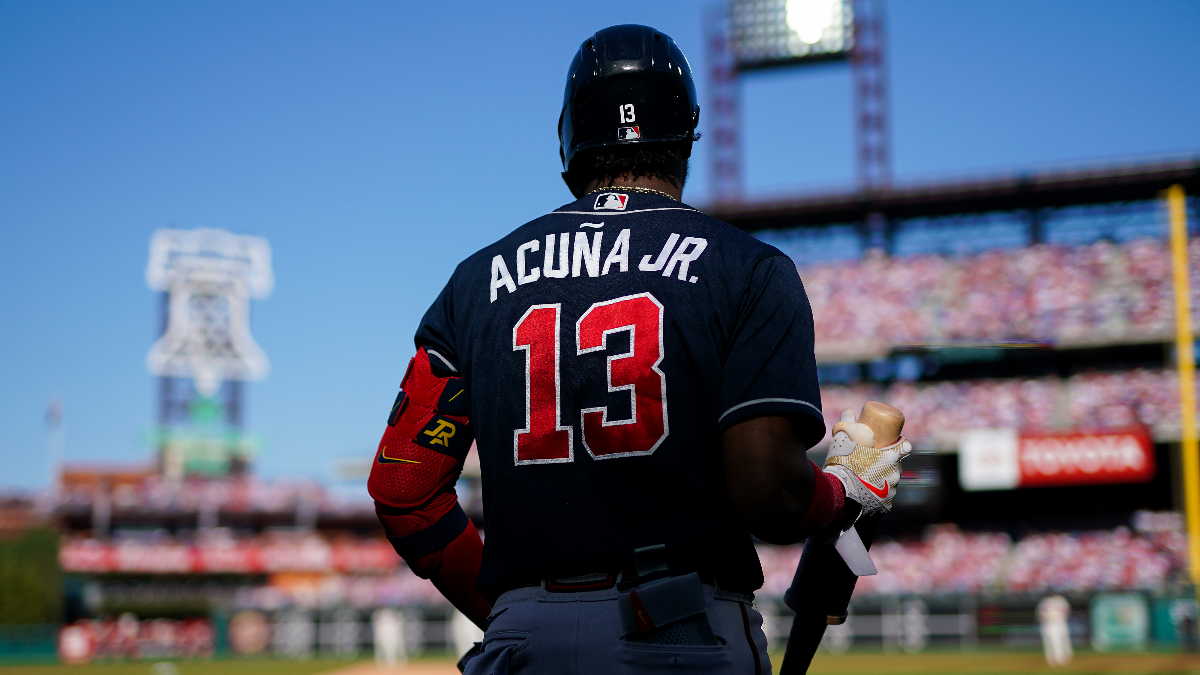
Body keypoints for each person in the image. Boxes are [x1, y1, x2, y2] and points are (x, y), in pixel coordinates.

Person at [367, 24, 907, 674]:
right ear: (684, 133)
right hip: (684, 633)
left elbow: (403, 487)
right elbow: (768, 492)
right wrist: (842, 492)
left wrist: (510, 611)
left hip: (522, 641)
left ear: (571, 137)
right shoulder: (750, 268)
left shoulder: (473, 282)